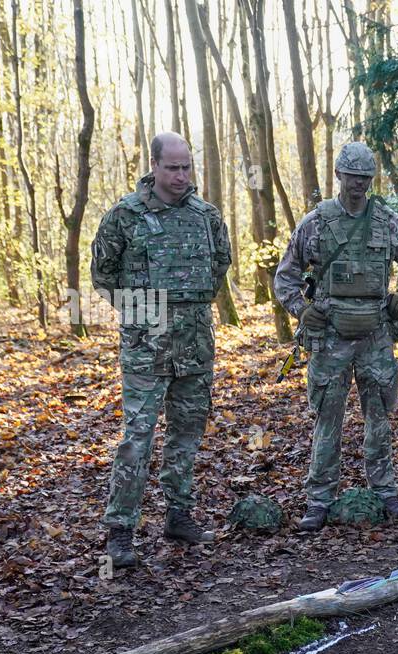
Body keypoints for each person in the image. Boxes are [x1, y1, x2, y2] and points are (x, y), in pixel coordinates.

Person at [91, 132, 231, 568]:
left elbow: (221, 263)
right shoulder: (125, 217)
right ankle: (120, 532)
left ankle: (179, 515)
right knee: (137, 438)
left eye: (187, 166)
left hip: (194, 344)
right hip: (145, 350)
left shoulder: (206, 215)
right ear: (153, 165)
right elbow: (102, 273)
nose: (181, 175)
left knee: (187, 434)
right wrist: (143, 313)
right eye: (173, 167)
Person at [273, 142, 398, 530]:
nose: (358, 183)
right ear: (338, 176)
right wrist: (302, 310)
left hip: (376, 333)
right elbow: (285, 276)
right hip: (330, 337)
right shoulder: (316, 223)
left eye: (364, 177)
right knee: (328, 416)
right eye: (351, 175)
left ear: (370, 180)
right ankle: (319, 498)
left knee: (379, 415)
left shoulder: (388, 222)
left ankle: (385, 490)